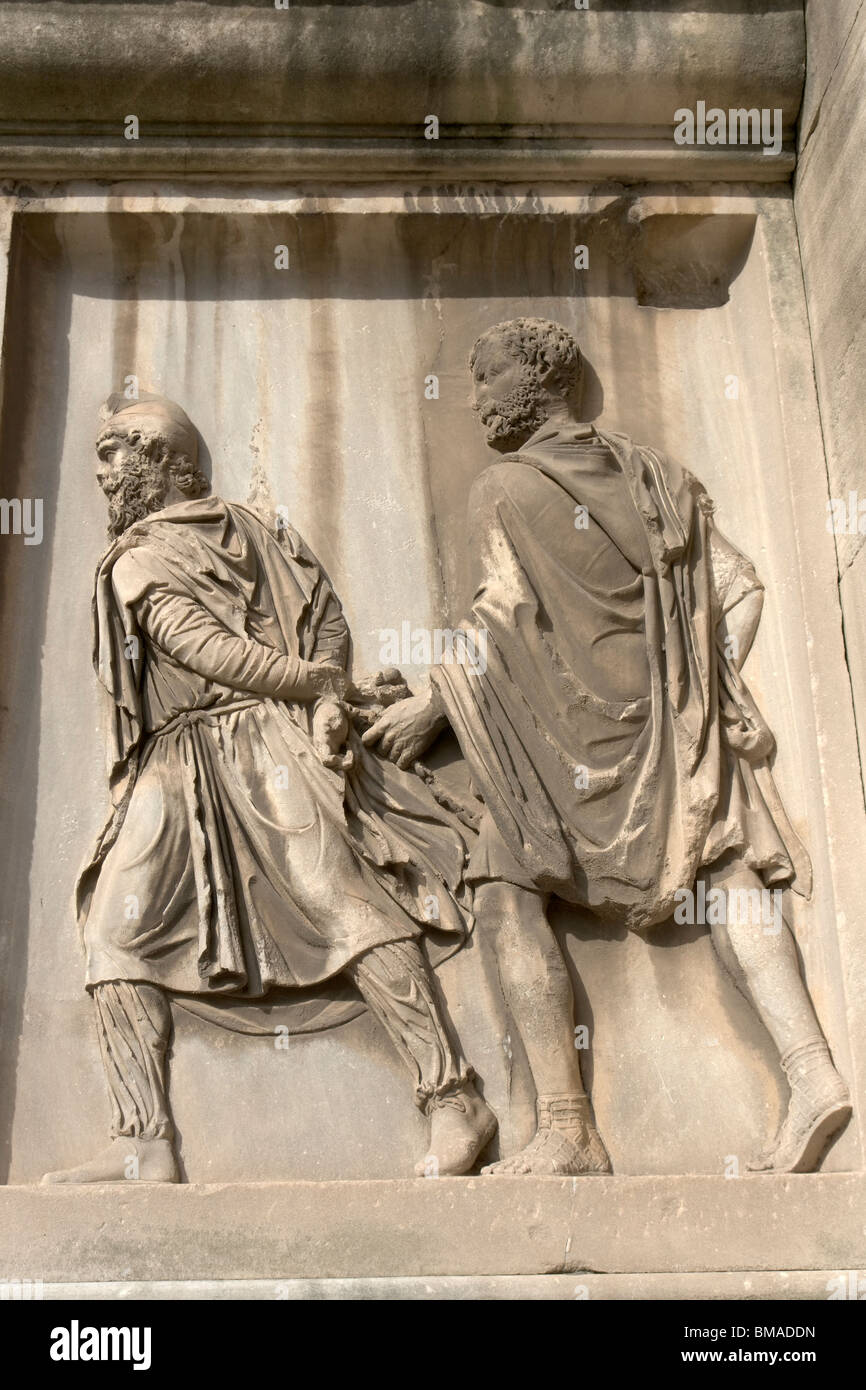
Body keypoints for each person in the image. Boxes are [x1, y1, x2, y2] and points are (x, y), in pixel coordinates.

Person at [363, 317, 851, 1176]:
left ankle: (568, 1130)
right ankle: (813, 1074)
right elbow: (740, 588)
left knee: (502, 887)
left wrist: (429, 711)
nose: (475, 399)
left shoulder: (506, 487)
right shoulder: (654, 476)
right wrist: (705, 689)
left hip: (560, 743)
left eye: (487, 377)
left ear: (535, 380)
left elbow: (500, 622)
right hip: (672, 734)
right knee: (724, 870)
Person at [43, 392, 495, 1184]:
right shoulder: (146, 554)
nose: (103, 472)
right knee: (115, 928)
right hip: (178, 762)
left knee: (346, 903)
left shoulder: (229, 538)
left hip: (262, 738)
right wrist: (318, 684)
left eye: (118, 452)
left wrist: (321, 695)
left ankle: (454, 1099)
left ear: (171, 461)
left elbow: (285, 628)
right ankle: (144, 1144)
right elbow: (229, 645)